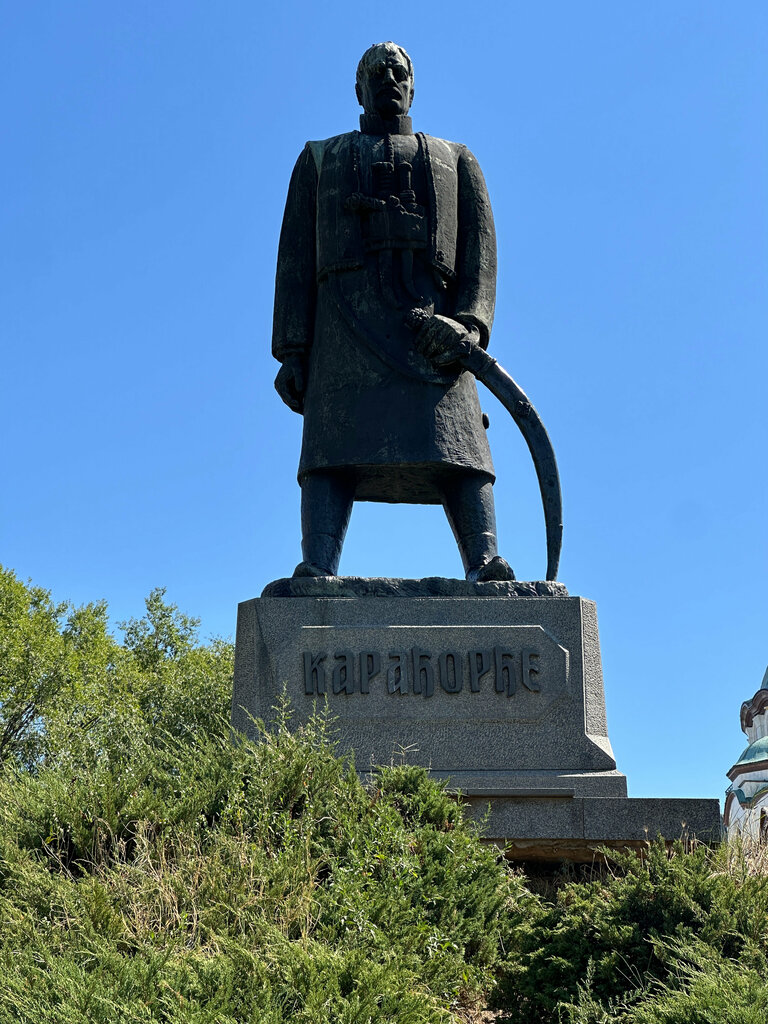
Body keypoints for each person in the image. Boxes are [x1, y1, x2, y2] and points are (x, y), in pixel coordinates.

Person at [272, 41, 514, 582]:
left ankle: (484, 560)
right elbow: (294, 260)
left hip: (434, 335)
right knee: (331, 450)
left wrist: (469, 325)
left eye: (398, 72)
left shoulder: (456, 158)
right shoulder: (320, 158)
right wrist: (292, 350)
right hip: (343, 332)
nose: (389, 78)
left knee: (461, 447)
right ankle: (318, 565)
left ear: (413, 87)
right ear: (358, 89)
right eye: (376, 72)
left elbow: (480, 254)